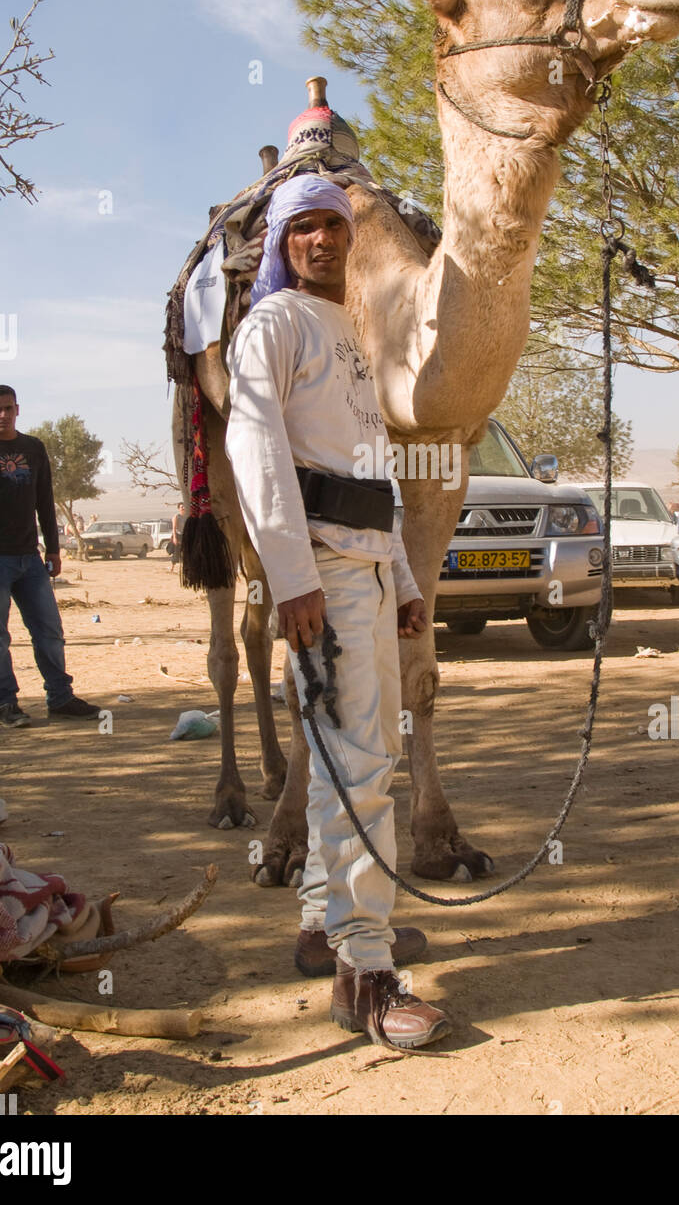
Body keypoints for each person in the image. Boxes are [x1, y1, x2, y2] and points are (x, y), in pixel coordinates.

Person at [225, 175, 449, 1051]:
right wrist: (292, 582)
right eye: (302, 227)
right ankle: (366, 975)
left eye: (332, 225)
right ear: (281, 243)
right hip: (317, 572)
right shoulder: (272, 327)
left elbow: (371, 475)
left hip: (359, 568)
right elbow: (257, 453)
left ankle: (324, 924)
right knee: (360, 768)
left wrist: (399, 578)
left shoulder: (344, 335)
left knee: (350, 757)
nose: (320, 239)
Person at [0, 386, 100, 728]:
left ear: (17, 409)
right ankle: (6, 704)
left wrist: (53, 548)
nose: (3, 415)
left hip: (29, 559)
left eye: (8, 408)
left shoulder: (33, 449)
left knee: (49, 631)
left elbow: (44, 501)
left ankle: (60, 698)